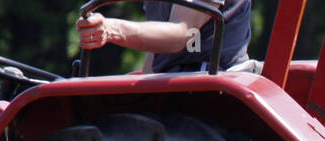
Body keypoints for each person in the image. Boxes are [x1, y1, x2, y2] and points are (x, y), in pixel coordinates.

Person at [77, 1, 252, 74]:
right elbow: (157, 48)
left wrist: (110, 29)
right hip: (175, 78)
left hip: (214, 82)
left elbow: (183, 33)